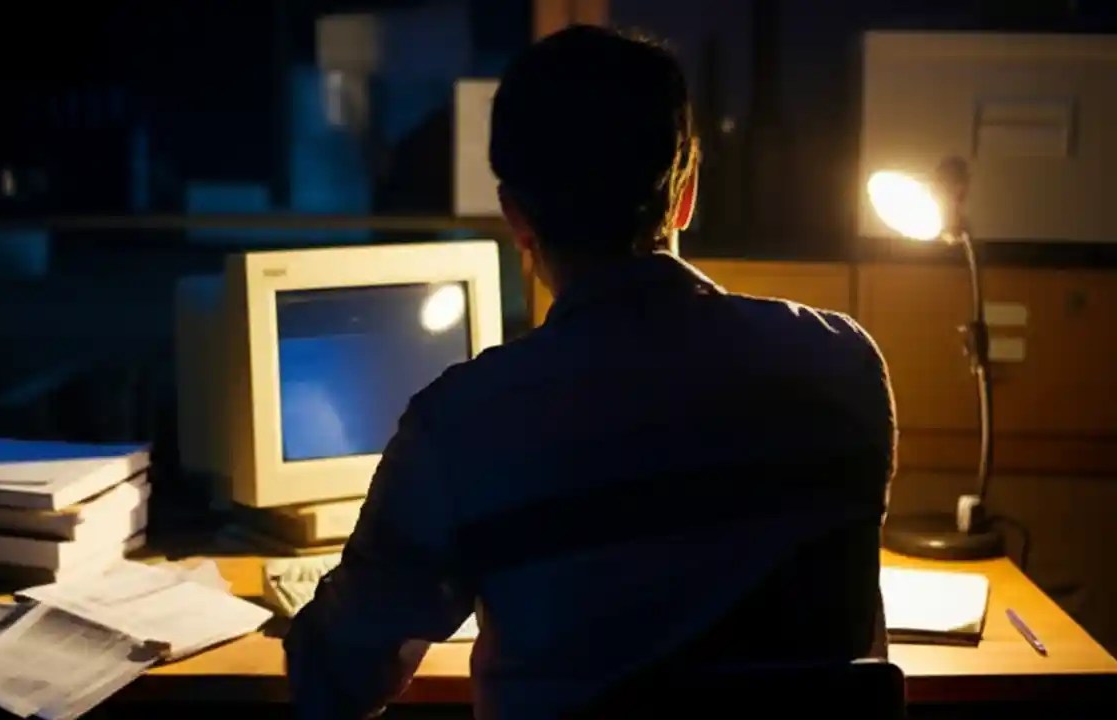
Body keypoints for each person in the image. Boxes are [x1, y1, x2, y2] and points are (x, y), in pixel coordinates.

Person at [285, 25, 897, 719]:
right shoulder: (843, 364)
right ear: (688, 191)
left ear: (517, 217)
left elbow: (337, 679)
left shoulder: (464, 426)